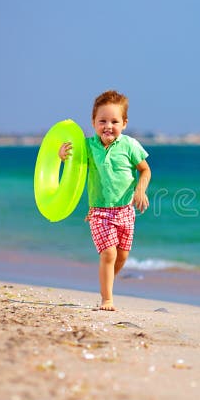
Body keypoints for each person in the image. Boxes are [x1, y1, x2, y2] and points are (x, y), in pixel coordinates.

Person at [58, 90, 151, 311]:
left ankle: (105, 279)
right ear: (93, 122)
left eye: (114, 121)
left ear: (124, 123)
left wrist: (140, 189)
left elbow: (145, 170)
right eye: (102, 121)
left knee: (122, 256)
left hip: (125, 210)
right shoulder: (87, 146)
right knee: (108, 253)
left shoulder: (130, 145)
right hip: (99, 211)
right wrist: (61, 156)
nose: (108, 126)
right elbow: (71, 165)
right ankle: (107, 299)